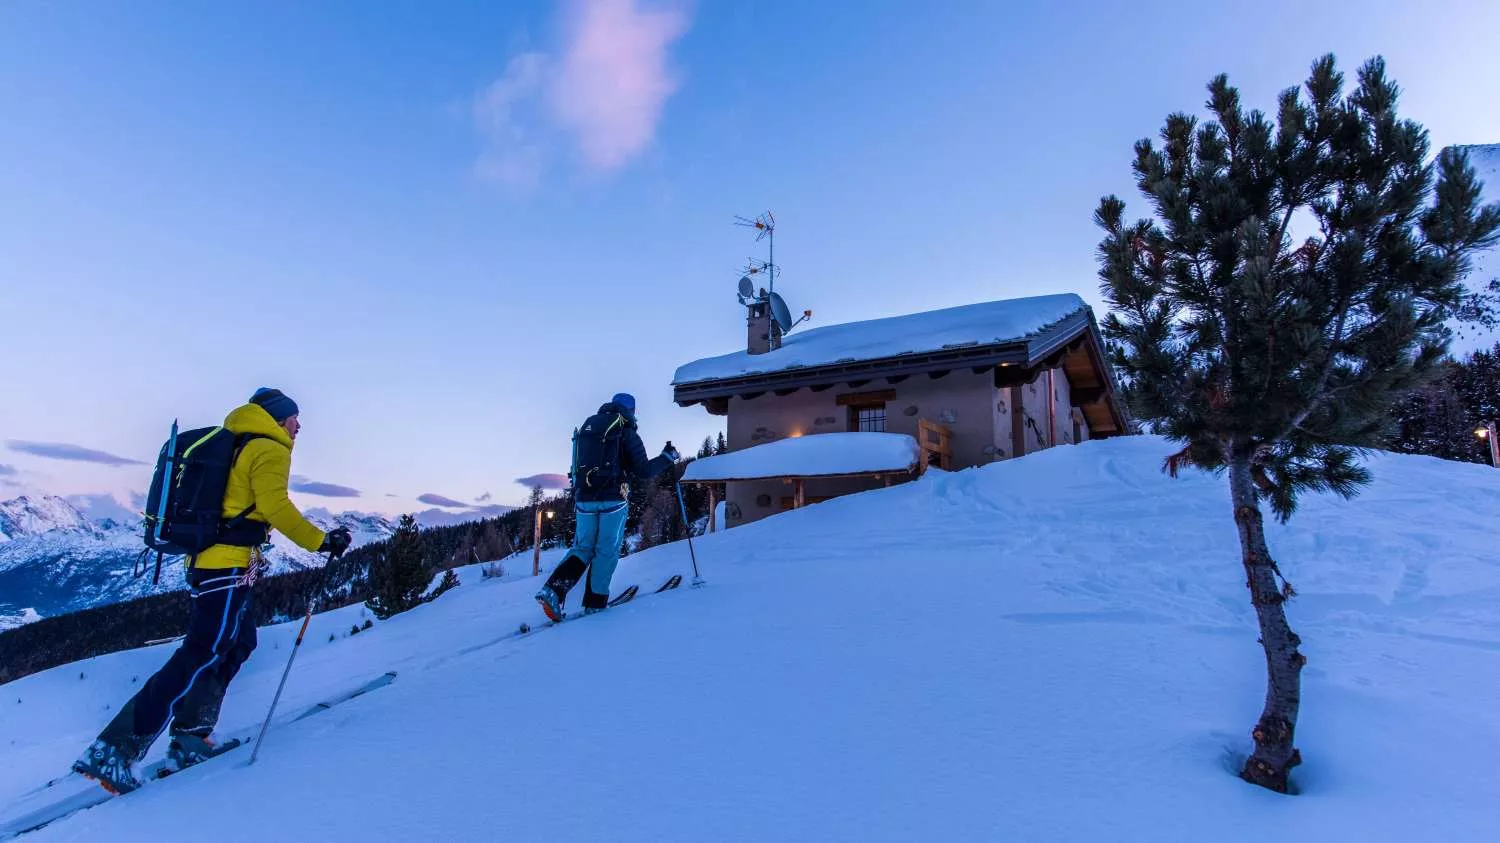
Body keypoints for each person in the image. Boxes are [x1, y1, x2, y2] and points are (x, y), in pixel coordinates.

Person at [72, 388, 353, 794]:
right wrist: (322, 541)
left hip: (211, 563)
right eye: (294, 418)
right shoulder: (270, 448)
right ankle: (115, 750)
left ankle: (192, 735)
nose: (299, 426)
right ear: (277, 418)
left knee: (238, 642)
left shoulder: (238, 442)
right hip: (227, 566)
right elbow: (276, 507)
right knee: (201, 652)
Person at [535, 393, 677, 621]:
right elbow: (643, 471)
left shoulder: (590, 427)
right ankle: (595, 603)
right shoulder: (626, 431)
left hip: (583, 498)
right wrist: (667, 458)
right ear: (631, 410)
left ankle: (552, 590)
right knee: (606, 550)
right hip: (613, 499)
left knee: (582, 548)